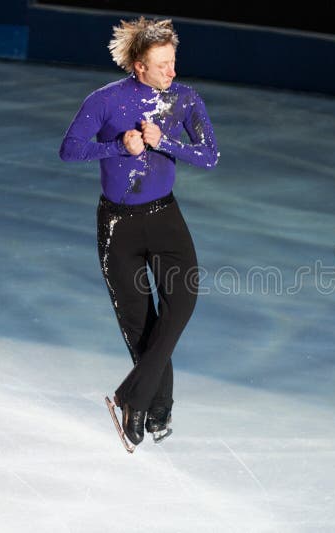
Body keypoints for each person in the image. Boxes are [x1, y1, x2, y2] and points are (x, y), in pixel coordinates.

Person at [59, 17, 219, 447]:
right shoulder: (104, 101)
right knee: (139, 324)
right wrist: (117, 146)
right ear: (137, 67)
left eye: (173, 61)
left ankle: (132, 396)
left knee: (181, 305)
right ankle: (156, 408)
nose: (172, 72)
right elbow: (70, 149)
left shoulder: (184, 99)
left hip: (165, 220)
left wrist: (165, 140)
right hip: (118, 227)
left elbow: (209, 156)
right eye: (162, 64)